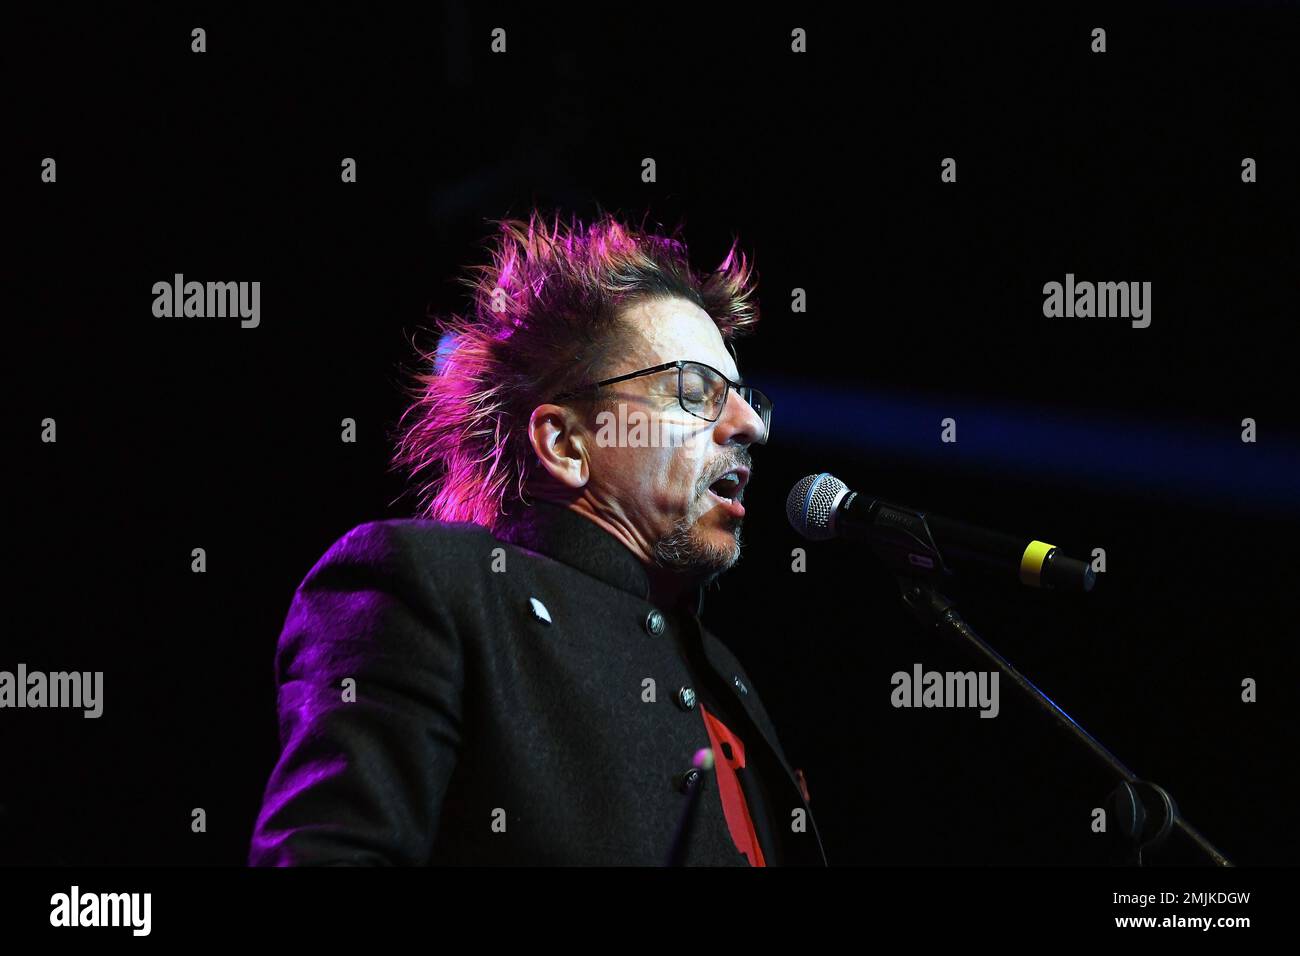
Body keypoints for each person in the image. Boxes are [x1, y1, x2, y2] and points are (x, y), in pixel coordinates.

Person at [248, 209, 826, 866]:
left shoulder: (726, 674)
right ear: (566, 443)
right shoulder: (436, 588)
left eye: (744, 394)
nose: (751, 423)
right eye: (697, 391)